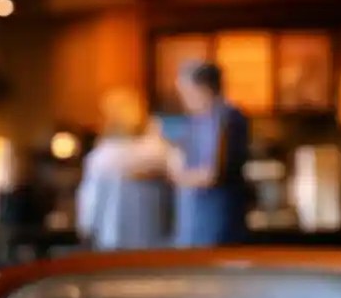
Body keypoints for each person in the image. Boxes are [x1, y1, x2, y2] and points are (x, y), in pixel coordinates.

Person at [169, 62, 251, 247]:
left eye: (185, 92)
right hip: (196, 221)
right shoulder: (197, 120)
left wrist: (176, 176)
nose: (184, 99)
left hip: (214, 222)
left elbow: (211, 173)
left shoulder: (223, 117)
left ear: (202, 88)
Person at [76, 116, 177, 250]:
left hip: (110, 234)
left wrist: (85, 226)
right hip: (155, 233)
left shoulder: (100, 157)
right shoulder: (161, 151)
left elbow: (89, 199)